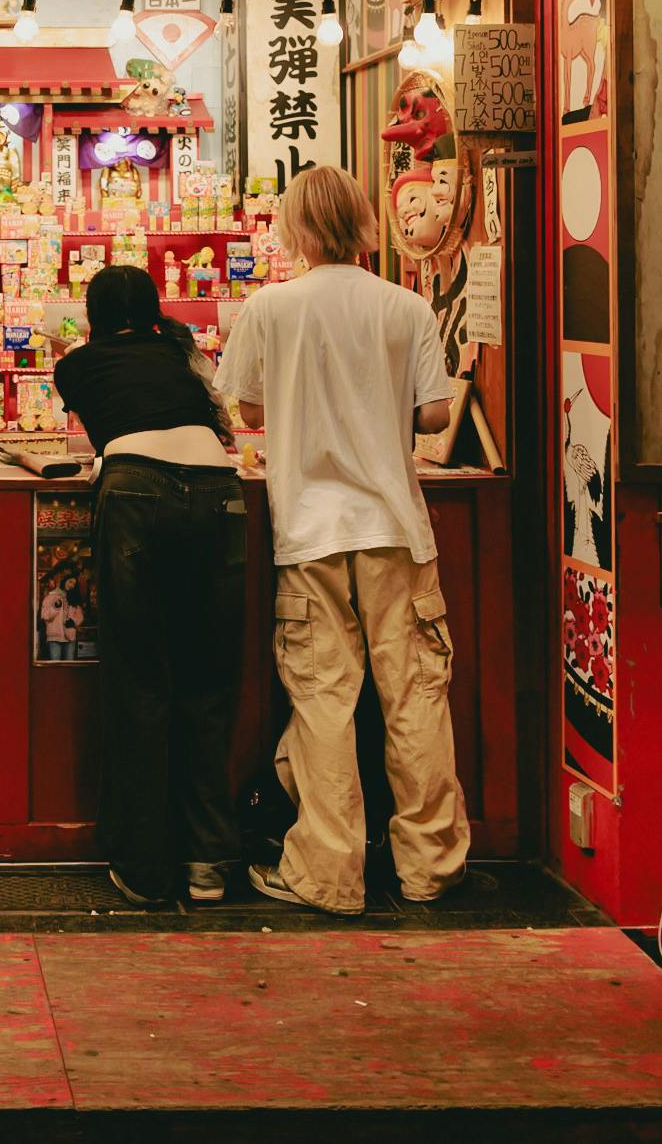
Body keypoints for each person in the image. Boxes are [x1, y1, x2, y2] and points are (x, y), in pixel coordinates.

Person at [214, 165, 471, 916]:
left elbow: (248, 410)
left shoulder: (270, 307)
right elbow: (434, 416)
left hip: (309, 532)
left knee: (323, 702)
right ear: (363, 222)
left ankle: (328, 875)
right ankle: (430, 867)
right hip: (396, 530)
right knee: (415, 697)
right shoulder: (406, 306)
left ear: (294, 227)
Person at [53, 262, 245, 907]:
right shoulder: (182, 353)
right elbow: (212, 424)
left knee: (140, 682)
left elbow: (111, 428)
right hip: (219, 493)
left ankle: (144, 868)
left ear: (94, 316)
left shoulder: (77, 365)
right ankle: (208, 863)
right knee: (209, 681)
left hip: (136, 490)